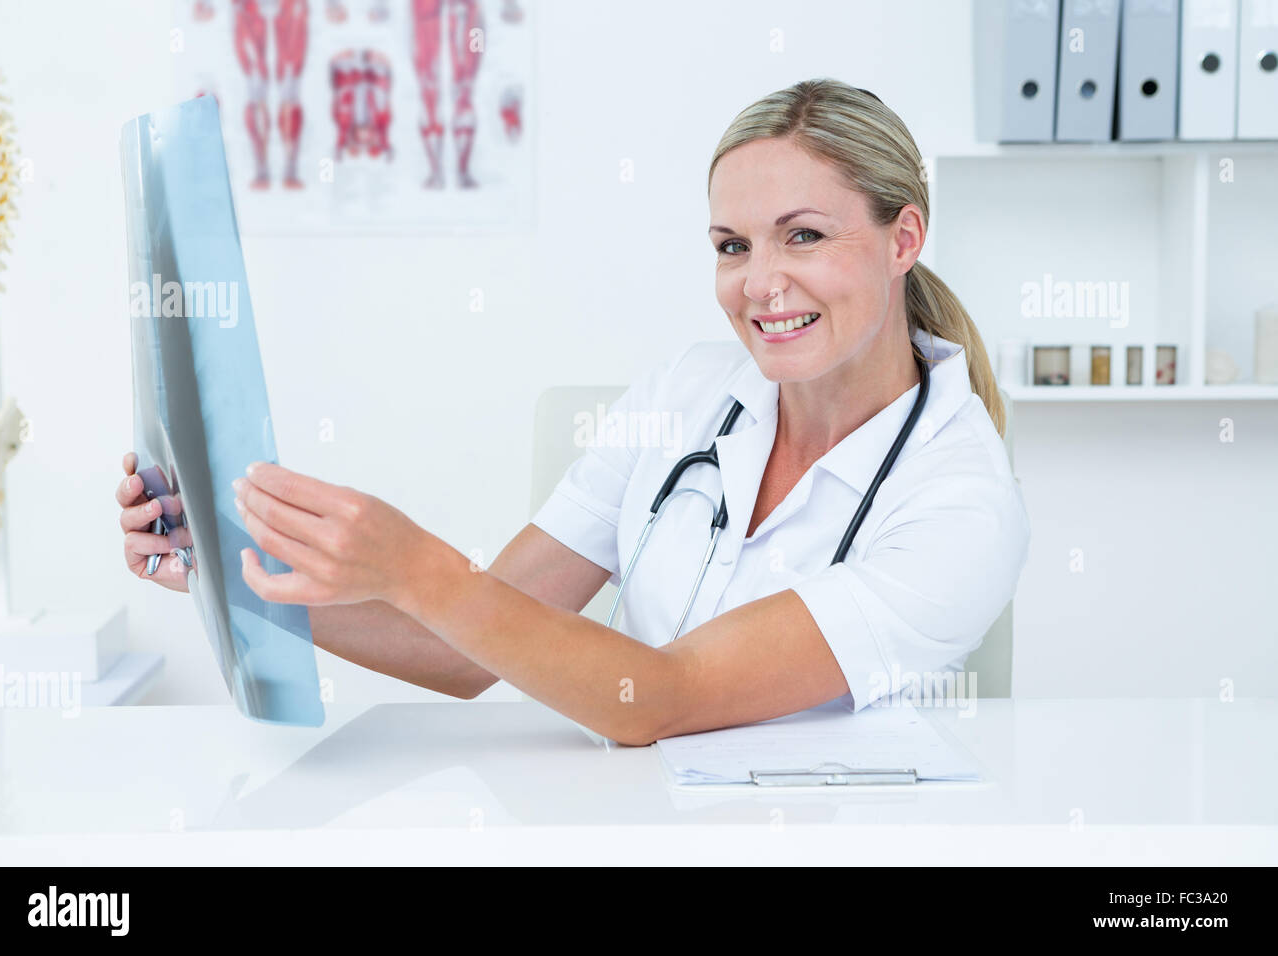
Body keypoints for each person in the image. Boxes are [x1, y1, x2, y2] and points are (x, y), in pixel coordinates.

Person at [116, 78, 1029, 746]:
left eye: (805, 236)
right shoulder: (688, 396)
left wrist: (420, 567)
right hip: (622, 829)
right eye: (731, 245)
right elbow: (470, 653)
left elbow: (660, 698)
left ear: (904, 237)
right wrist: (235, 572)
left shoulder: (961, 503)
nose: (760, 283)